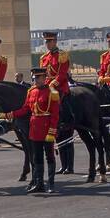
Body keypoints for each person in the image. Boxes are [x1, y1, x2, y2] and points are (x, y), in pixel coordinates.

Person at [4, 68, 59, 194]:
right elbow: (25, 109)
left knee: (49, 156)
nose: (34, 80)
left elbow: (55, 115)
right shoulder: (31, 91)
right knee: (37, 157)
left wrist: (52, 132)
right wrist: (9, 114)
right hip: (34, 129)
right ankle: (39, 183)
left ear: (44, 78)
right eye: (34, 78)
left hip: (46, 128)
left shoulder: (52, 93)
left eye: (37, 78)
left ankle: (51, 184)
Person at [39, 32, 73, 174]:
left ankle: (69, 166)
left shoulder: (62, 55)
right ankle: (63, 165)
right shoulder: (44, 58)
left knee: (57, 103)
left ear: (55, 41)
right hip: (48, 88)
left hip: (60, 87)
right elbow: (42, 74)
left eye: (50, 41)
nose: (48, 43)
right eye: (46, 41)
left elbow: (62, 74)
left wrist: (52, 84)